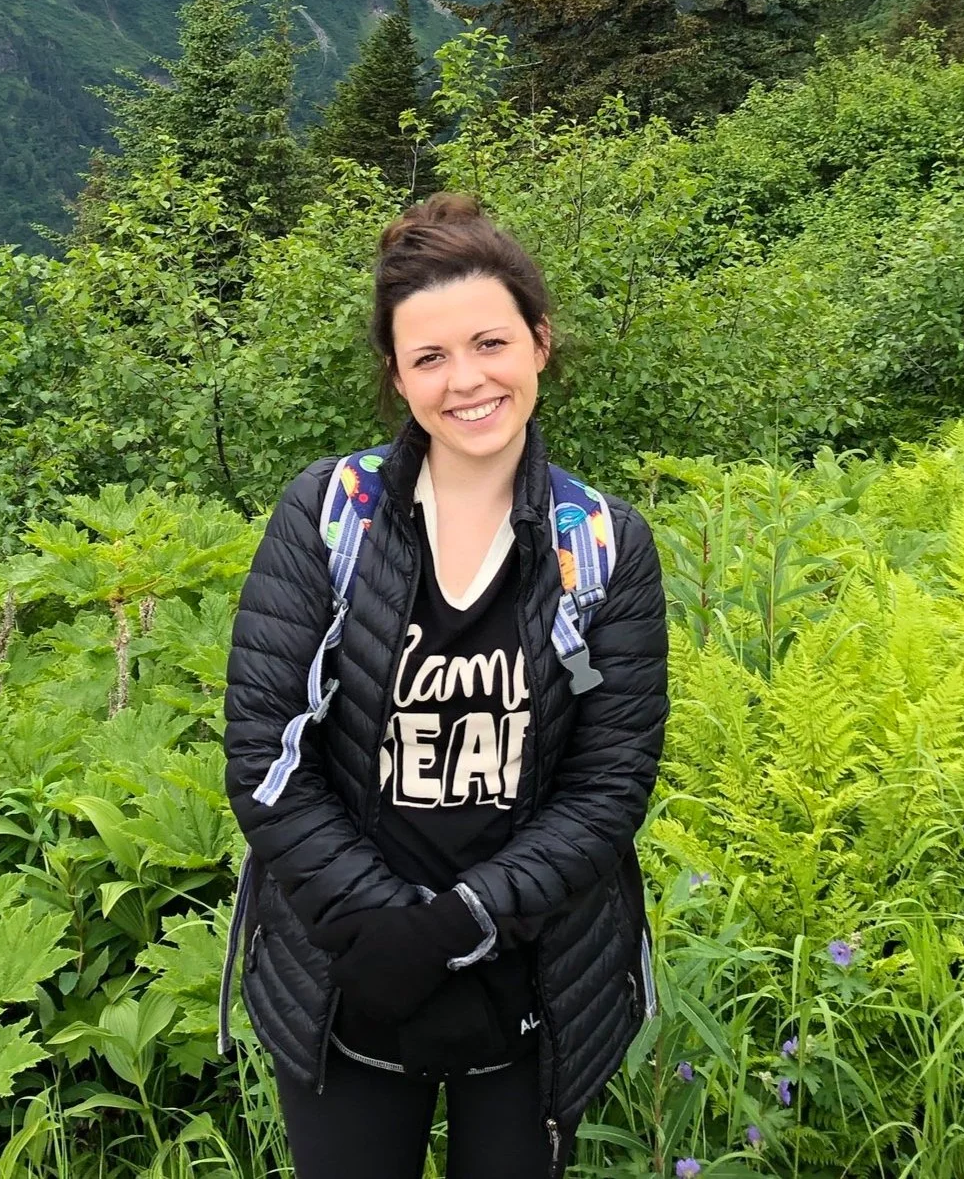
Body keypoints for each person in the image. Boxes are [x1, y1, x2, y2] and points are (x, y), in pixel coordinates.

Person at [220, 193, 670, 1178]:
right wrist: (375, 925)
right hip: (346, 971)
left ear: (539, 341)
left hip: (531, 977)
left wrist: (454, 921)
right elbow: (265, 754)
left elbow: (607, 790)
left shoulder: (597, 545)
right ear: (396, 375)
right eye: (428, 357)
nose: (465, 379)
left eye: (489, 342)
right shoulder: (328, 515)